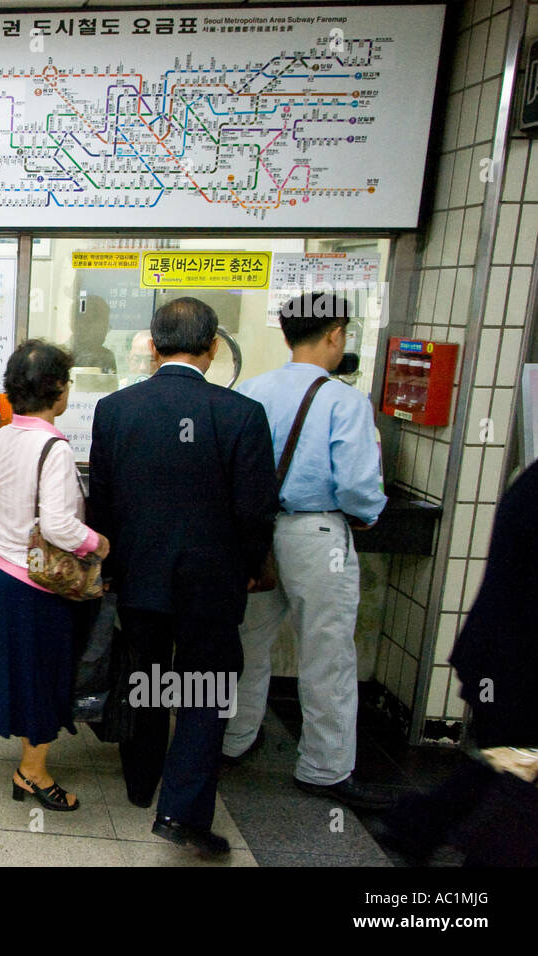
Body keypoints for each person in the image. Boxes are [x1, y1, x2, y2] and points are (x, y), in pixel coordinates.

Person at [88, 297, 277, 857]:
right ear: (214, 347)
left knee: (146, 675)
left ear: (152, 343)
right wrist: (247, 567)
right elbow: (256, 509)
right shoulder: (241, 414)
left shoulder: (116, 409)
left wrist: (112, 569)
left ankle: (142, 785)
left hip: (139, 576)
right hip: (211, 584)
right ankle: (182, 810)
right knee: (205, 689)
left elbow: (103, 503)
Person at [221, 292, 391, 811]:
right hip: (317, 535)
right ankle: (323, 768)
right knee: (327, 652)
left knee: (247, 644)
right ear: (335, 333)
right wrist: (368, 513)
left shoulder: (251, 390)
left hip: (255, 537)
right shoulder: (345, 401)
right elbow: (360, 485)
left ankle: (234, 739)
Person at [0, 339, 109, 812]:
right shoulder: (53, 447)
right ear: (56, 390)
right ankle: (32, 773)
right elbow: (56, 525)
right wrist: (97, 543)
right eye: (66, 381)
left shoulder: (7, 434)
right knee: (45, 675)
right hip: (37, 584)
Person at [375, 460, 538, 865]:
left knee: (507, 762)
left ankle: (416, 824)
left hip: (499, 657)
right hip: (517, 666)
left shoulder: (532, 479)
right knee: (517, 773)